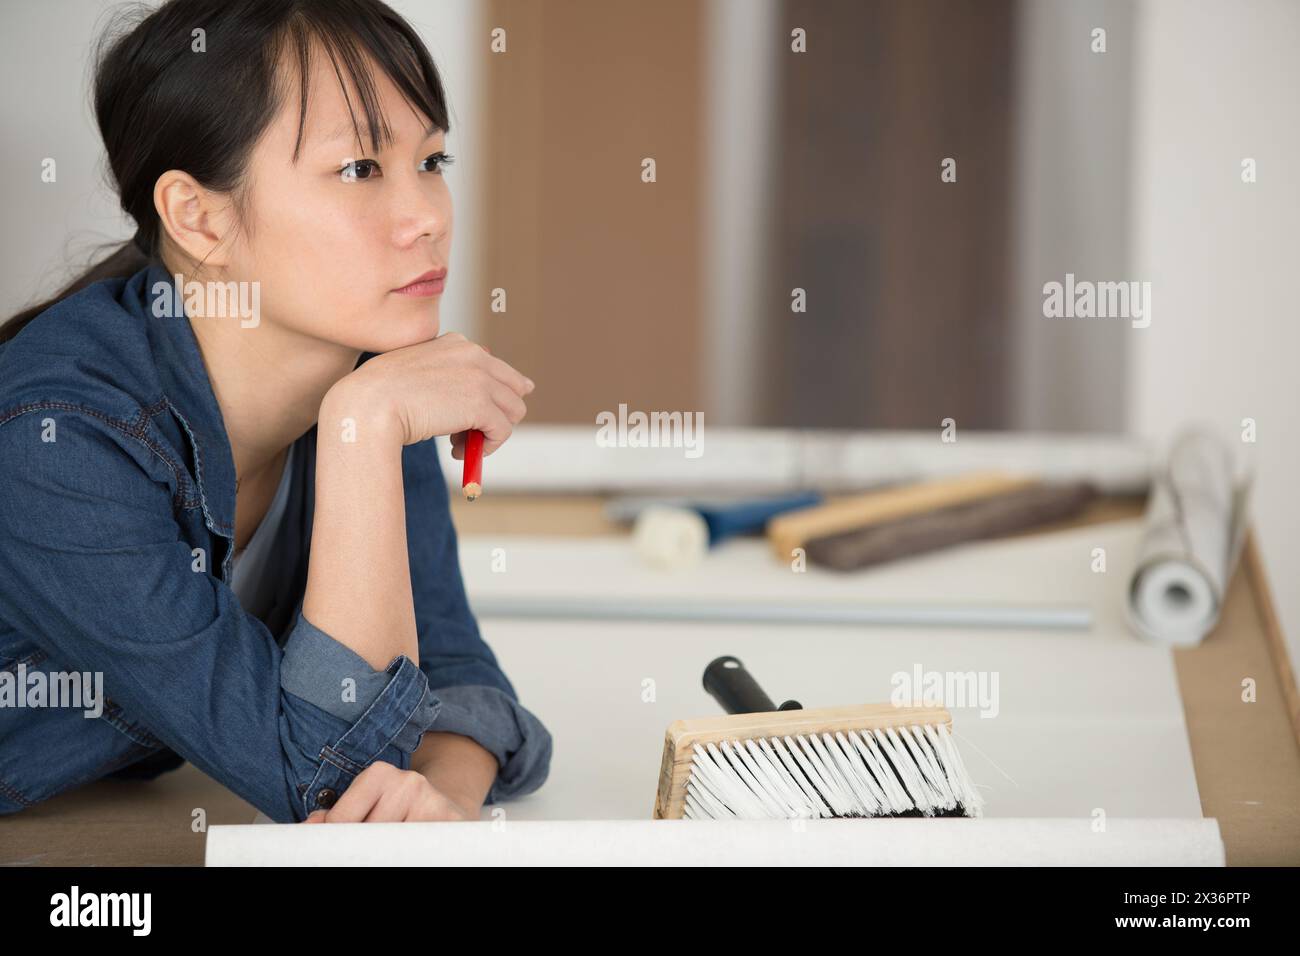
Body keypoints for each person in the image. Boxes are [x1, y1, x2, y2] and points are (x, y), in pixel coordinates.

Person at [0, 0, 550, 824]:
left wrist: (437, 799)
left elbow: (451, 674)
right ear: (199, 217)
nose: (427, 218)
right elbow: (321, 777)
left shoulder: (362, 376)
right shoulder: (59, 442)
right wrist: (364, 430)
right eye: (359, 169)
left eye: (433, 159)